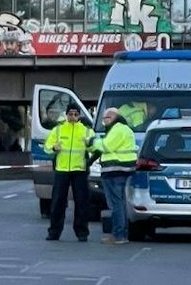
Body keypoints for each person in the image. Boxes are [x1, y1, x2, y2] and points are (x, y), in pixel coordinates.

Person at [45, 103, 94, 242]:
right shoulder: (58, 130)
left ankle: (82, 232)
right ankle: (54, 232)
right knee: (57, 202)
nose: (73, 117)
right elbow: (47, 147)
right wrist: (54, 147)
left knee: (82, 202)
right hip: (62, 170)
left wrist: (89, 144)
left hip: (79, 169)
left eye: (76, 114)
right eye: (70, 114)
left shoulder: (86, 131)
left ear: (79, 116)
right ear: (66, 115)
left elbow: (94, 147)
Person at [92, 108, 138, 244]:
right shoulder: (126, 129)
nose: (104, 122)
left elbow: (106, 146)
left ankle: (118, 235)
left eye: (105, 119)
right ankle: (122, 234)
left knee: (115, 204)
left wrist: (93, 142)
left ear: (112, 117)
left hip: (114, 170)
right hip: (123, 170)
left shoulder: (117, 129)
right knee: (121, 203)